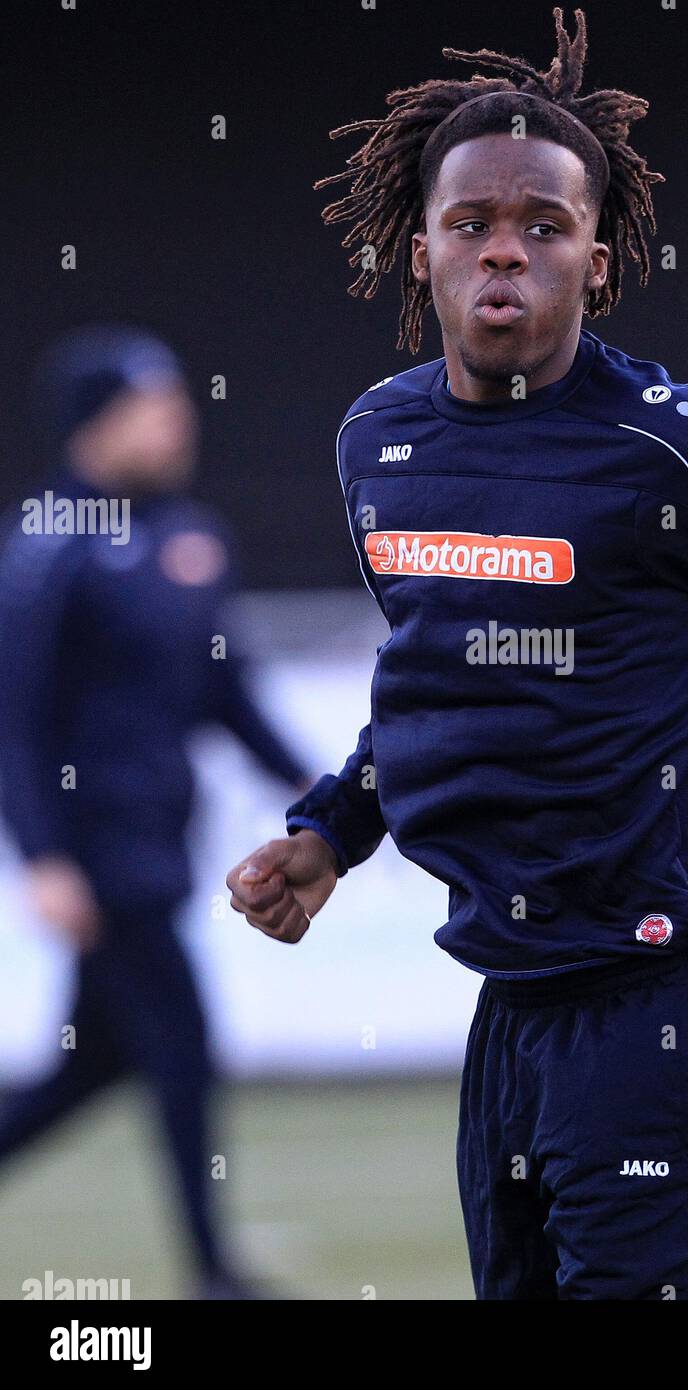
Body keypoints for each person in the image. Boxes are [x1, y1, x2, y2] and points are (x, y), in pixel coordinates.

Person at [227, 8, 688, 1299]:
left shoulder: (679, 441)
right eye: (470, 221)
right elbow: (447, 679)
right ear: (417, 248)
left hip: (673, 1003)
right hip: (510, 1009)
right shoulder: (378, 441)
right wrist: (328, 834)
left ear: (600, 257)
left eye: (545, 223)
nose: (505, 250)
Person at [0, 324, 310, 1299]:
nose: (177, 419)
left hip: (159, 840)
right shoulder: (49, 543)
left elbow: (228, 696)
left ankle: (212, 1261)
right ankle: (213, 1270)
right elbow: (16, 719)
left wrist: (328, 795)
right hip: (99, 851)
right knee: (178, 1044)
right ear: (95, 423)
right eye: (151, 403)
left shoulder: (187, 539)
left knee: (91, 1066)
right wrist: (45, 856)